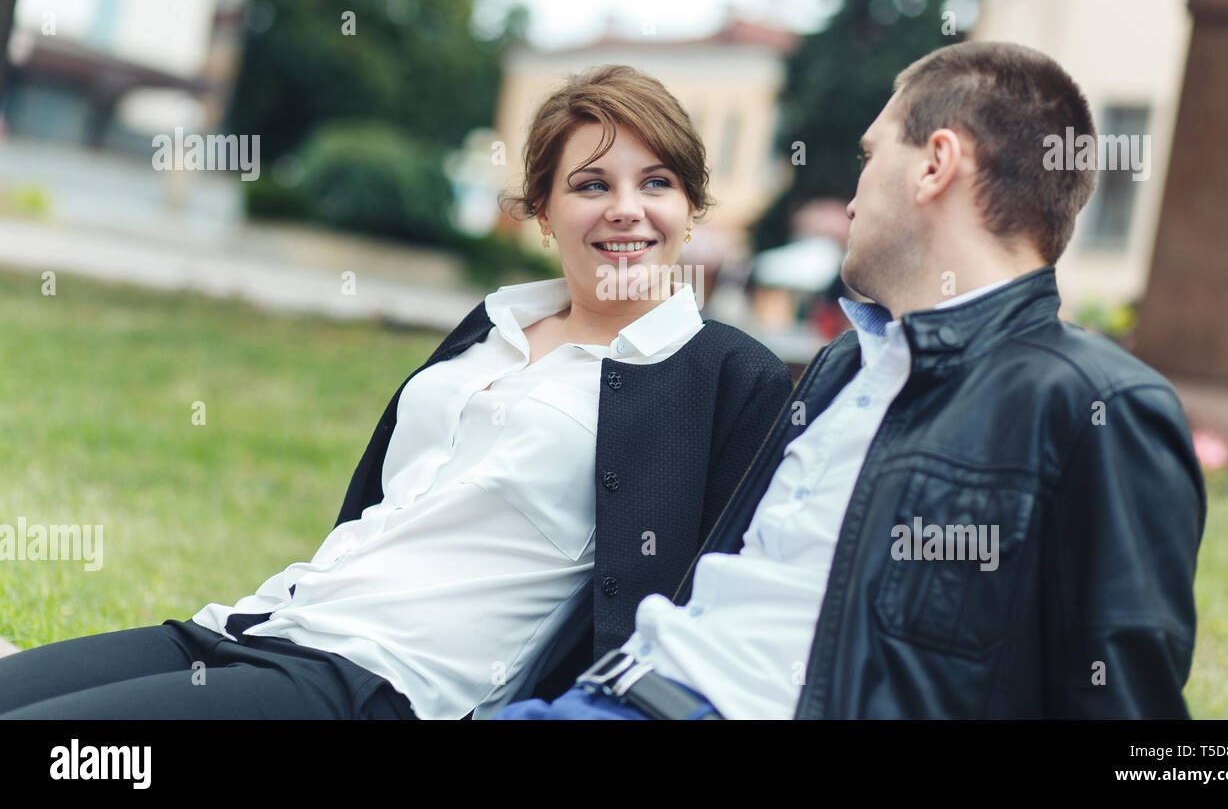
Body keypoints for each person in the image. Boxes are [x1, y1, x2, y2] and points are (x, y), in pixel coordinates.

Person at [0, 64, 792, 720]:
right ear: (543, 215)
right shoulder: (496, 324)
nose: (626, 208)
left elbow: (715, 602)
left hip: (378, 685)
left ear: (688, 210)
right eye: (591, 184)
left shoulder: (722, 374)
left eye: (655, 181)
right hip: (264, 622)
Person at [496, 40, 1207, 720]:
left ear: (936, 165)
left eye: (869, 156)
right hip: (608, 693)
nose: (851, 197)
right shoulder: (847, 365)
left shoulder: (1093, 403)